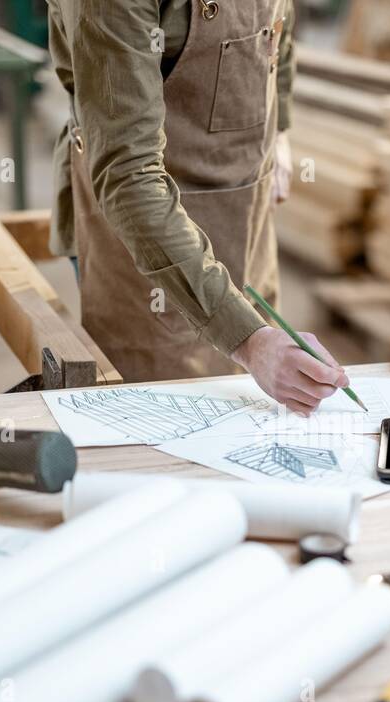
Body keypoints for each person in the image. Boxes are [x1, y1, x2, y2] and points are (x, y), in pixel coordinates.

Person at [46, 0, 348, 415]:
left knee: (251, 417)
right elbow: (130, 177)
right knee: (164, 423)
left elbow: (279, 20)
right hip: (144, 235)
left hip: (245, 211)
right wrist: (250, 340)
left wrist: (278, 131)